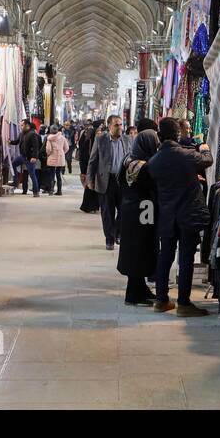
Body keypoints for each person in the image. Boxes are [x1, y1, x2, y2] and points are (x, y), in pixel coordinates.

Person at [146, 116, 212, 316]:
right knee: (185, 259)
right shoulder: (186, 155)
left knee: (165, 256)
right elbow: (207, 161)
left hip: (167, 215)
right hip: (187, 214)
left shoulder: (154, 161)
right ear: (177, 134)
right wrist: (205, 148)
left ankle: (161, 300)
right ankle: (183, 303)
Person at [118, 129, 160, 306]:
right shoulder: (146, 166)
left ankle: (140, 288)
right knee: (142, 248)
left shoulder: (127, 159)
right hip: (144, 211)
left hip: (128, 210)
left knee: (135, 249)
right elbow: (154, 186)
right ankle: (133, 294)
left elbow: (120, 181)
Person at [87, 115, 130, 250]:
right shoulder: (101, 139)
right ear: (109, 126)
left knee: (124, 210)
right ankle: (109, 239)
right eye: (117, 125)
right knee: (107, 212)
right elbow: (93, 161)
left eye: (121, 125)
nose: (120, 128)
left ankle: (117, 232)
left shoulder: (128, 140)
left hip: (123, 181)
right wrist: (90, 179)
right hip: (106, 180)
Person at [78, 119, 100, 213]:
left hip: (93, 166)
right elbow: (85, 154)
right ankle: (89, 206)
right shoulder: (91, 137)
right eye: (100, 129)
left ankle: (92, 206)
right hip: (91, 165)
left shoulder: (91, 136)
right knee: (91, 186)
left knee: (93, 187)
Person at [15, 121, 43, 196]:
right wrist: (10, 142)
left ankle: (36, 191)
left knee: (32, 174)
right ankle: (15, 182)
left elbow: (36, 146)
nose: (21, 127)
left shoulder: (32, 134)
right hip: (22, 156)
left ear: (27, 125)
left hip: (29, 158)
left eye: (22, 125)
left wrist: (34, 157)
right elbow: (17, 141)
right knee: (13, 164)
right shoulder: (22, 134)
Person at [44, 124, 69, 196]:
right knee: (59, 175)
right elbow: (67, 148)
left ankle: (51, 191)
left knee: (51, 175)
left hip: (52, 157)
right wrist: (62, 152)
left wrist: (48, 154)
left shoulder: (49, 139)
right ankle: (59, 191)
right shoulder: (62, 137)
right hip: (60, 157)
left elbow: (48, 149)